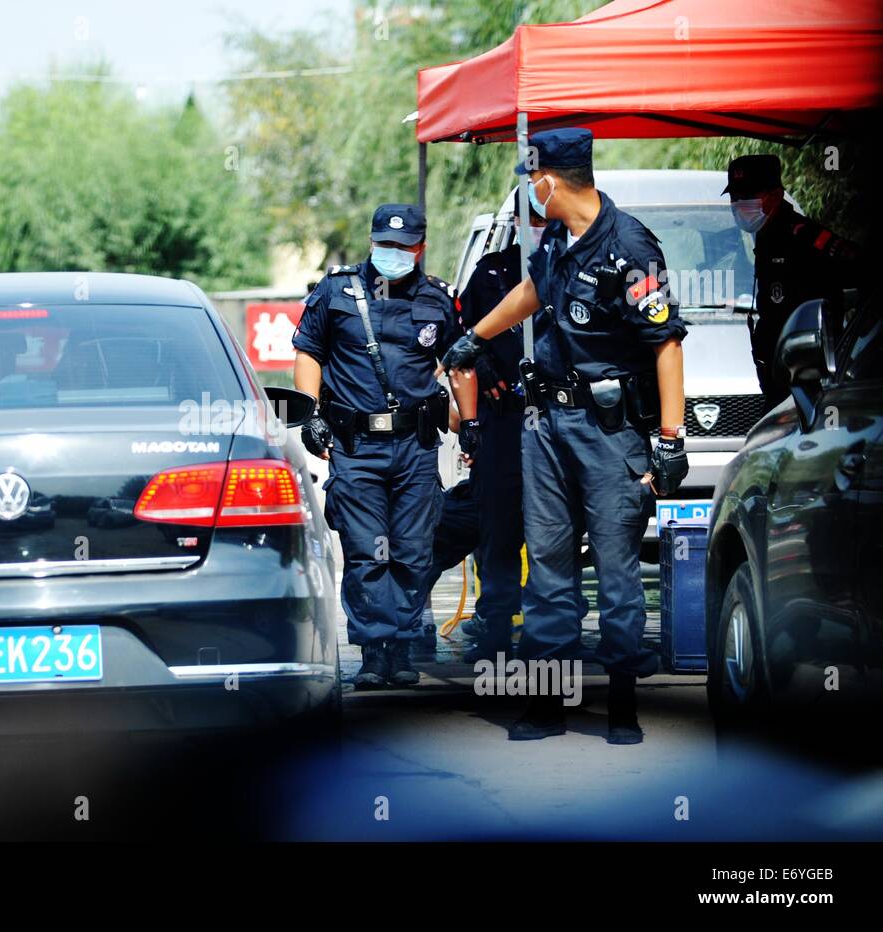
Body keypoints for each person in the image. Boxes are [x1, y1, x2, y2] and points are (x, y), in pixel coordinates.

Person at [442, 128, 688, 744]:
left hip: (609, 433)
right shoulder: (555, 237)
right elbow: (534, 291)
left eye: (532, 179)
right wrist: (477, 334)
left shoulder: (630, 245)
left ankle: (623, 705)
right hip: (545, 425)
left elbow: (667, 343)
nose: (528, 190)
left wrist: (670, 435)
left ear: (551, 180)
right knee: (549, 565)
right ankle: (547, 703)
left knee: (615, 565)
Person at [294, 204, 456, 689]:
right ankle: (372, 650)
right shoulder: (335, 291)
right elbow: (308, 353)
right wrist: (311, 415)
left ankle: (402, 648)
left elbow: (461, 361)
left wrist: (468, 425)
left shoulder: (439, 299)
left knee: (412, 550)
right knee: (366, 553)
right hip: (355, 443)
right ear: (371, 241)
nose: (393, 254)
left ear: (420, 248)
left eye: (403, 247)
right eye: (384, 244)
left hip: (415, 443)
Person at [447, 193, 547, 663]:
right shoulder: (490, 272)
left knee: (554, 528)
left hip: (558, 418)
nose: (538, 227)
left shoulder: (572, 265)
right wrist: (479, 373)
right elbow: (462, 342)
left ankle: (549, 628)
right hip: (503, 419)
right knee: (498, 527)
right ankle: (496, 625)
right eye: (530, 220)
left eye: (545, 219)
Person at [724, 154, 862, 413]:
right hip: (778, 381)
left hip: (811, 384)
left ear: (775, 195)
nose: (740, 205)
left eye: (749, 196)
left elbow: (859, 271)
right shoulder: (762, 238)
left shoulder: (805, 238)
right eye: (735, 198)